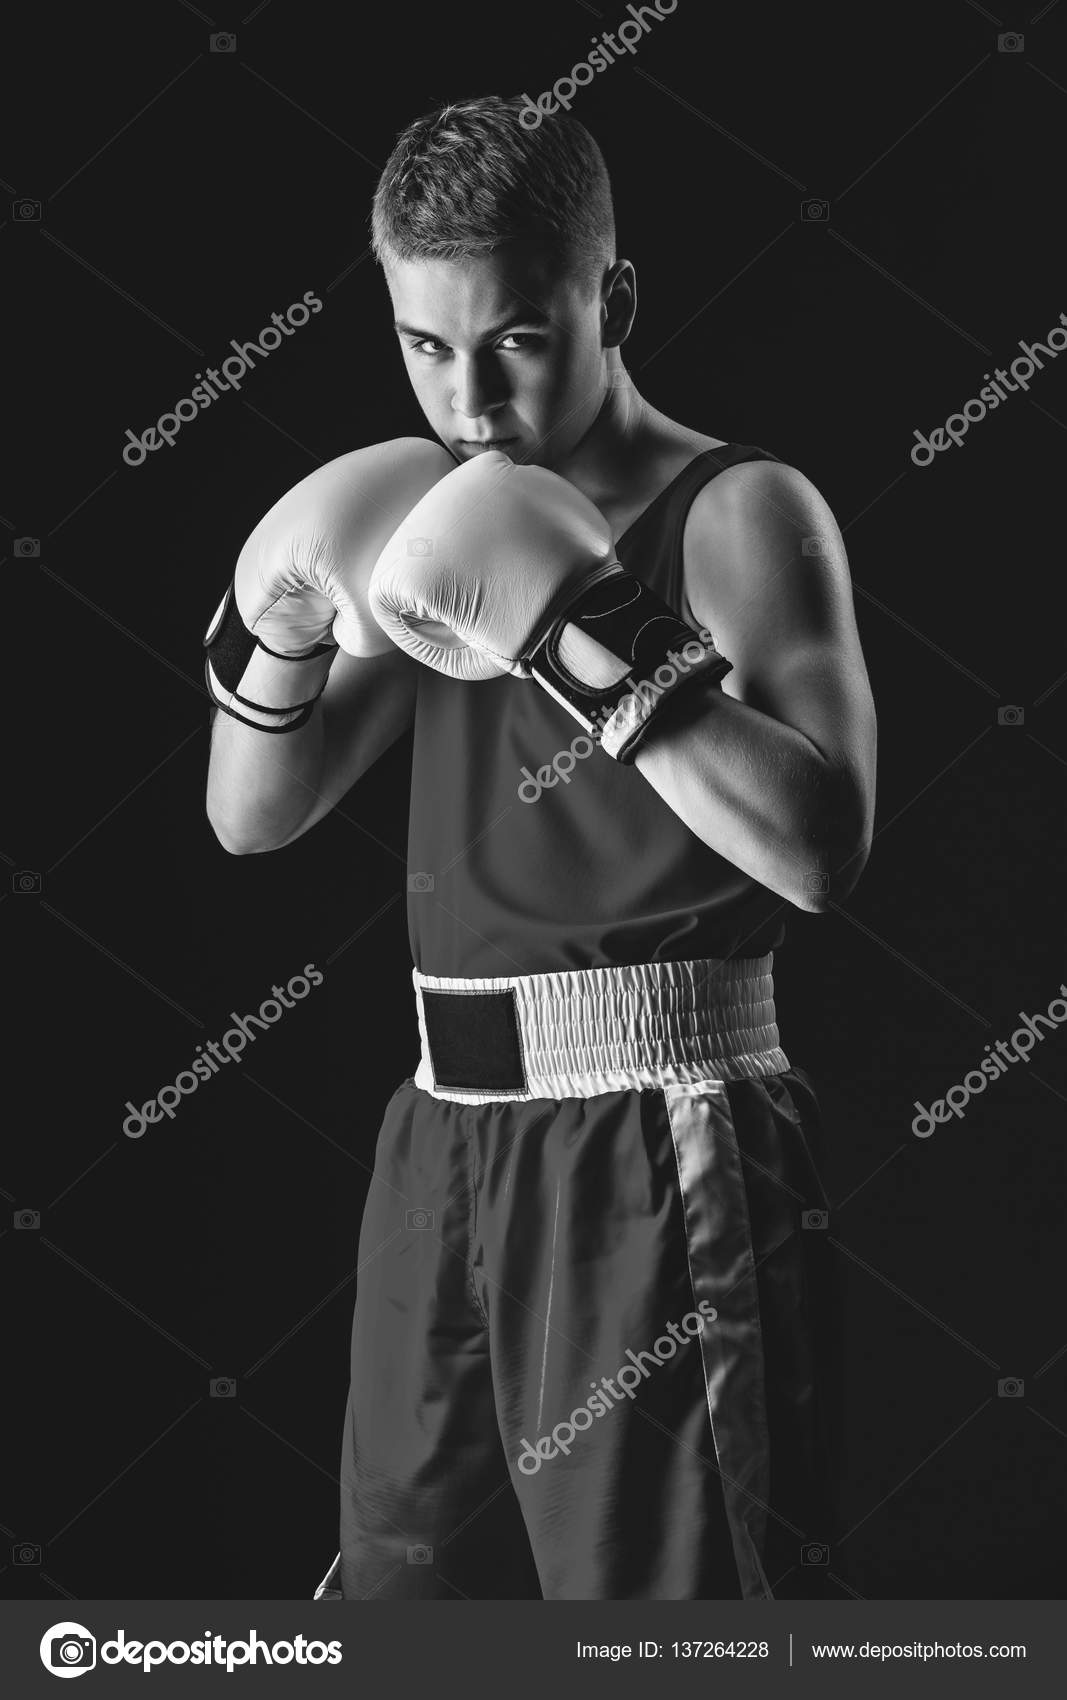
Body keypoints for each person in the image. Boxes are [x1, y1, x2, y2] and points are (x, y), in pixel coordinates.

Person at [204, 94, 876, 1602]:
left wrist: (584, 636)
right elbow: (254, 815)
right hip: (443, 1128)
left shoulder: (740, 510)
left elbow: (825, 850)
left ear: (612, 301)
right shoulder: (441, 526)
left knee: (672, 1614)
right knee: (399, 1607)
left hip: (654, 1123)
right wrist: (281, 627)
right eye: (425, 348)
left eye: (512, 340)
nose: (470, 402)